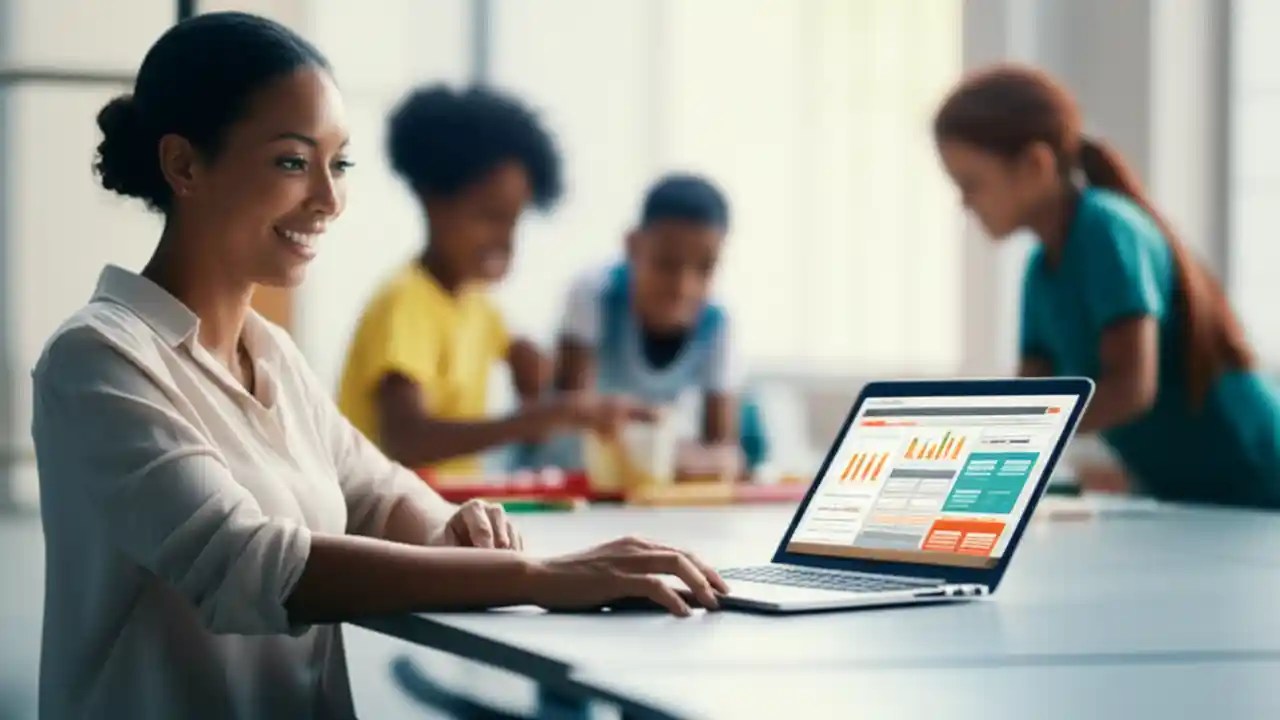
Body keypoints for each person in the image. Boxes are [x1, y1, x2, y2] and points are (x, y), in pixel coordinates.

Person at [30, 13, 725, 719]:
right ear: (183, 165)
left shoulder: (271, 353)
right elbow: (246, 563)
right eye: (294, 162)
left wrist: (453, 529)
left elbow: (378, 490)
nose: (329, 199)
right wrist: (534, 575)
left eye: (340, 164)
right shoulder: (98, 358)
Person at [933, 64, 1280, 508]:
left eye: (971, 184)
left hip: (1256, 482)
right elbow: (1027, 403)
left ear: (1035, 165)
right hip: (1186, 497)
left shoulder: (1107, 229)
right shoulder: (1041, 270)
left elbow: (1130, 389)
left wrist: (1028, 435)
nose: (964, 202)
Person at [336, 85, 646, 478]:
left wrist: (538, 373)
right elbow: (406, 439)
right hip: (387, 521)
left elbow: (528, 367)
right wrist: (533, 420)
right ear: (433, 201)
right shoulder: (405, 302)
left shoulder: (477, 302)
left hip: (447, 512)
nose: (505, 238)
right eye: (489, 217)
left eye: (514, 220)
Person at [548, 174, 748, 474]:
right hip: (565, 477)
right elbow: (571, 416)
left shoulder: (717, 325)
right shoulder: (593, 294)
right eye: (667, 263)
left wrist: (691, 459)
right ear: (632, 246)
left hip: (642, 486)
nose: (684, 286)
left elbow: (724, 452)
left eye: (705, 268)